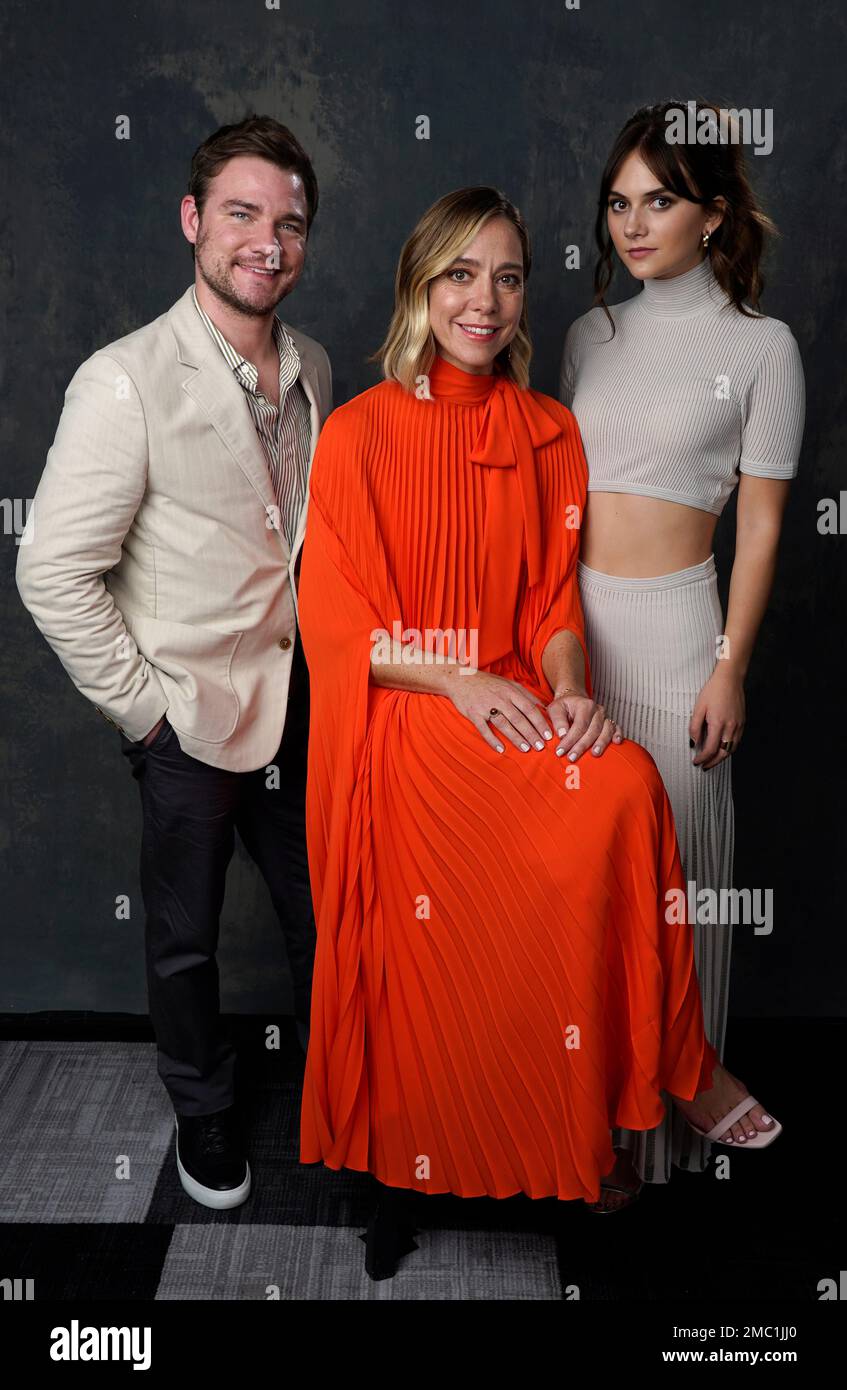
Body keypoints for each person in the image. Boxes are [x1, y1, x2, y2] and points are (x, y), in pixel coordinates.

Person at [296, 185, 777, 1280]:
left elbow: (553, 610)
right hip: (407, 716)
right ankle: (409, 1163)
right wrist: (457, 680)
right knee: (444, 883)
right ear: (421, 285)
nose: (485, 299)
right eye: (461, 274)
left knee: (615, 786)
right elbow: (337, 624)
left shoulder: (548, 430)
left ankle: (590, 1116)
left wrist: (569, 687)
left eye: (508, 276)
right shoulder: (360, 429)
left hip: (512, 694)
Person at [15, 114, 332, 1211]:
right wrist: (147, 716)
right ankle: (204, 1121)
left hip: (301, 712)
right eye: (242, 213)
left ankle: (350, 1109)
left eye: (288, 223)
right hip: (184, 721)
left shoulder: (316, 366)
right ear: (193, 220)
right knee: (185, 944)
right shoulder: (123, 380)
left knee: (334, 923)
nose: (267, 241)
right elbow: (53, 571)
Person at [559, 100, 802, 1210]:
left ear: (712, 213)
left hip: (675, 634)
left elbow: (757, 525)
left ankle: (673, 1107)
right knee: (588, 890)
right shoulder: (585, 334)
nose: (632, 222)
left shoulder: (761, 347)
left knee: (681, 885)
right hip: (572, 630)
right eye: (617, 201)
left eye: (658, 199)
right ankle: (591, 1119)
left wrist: (729, 665)